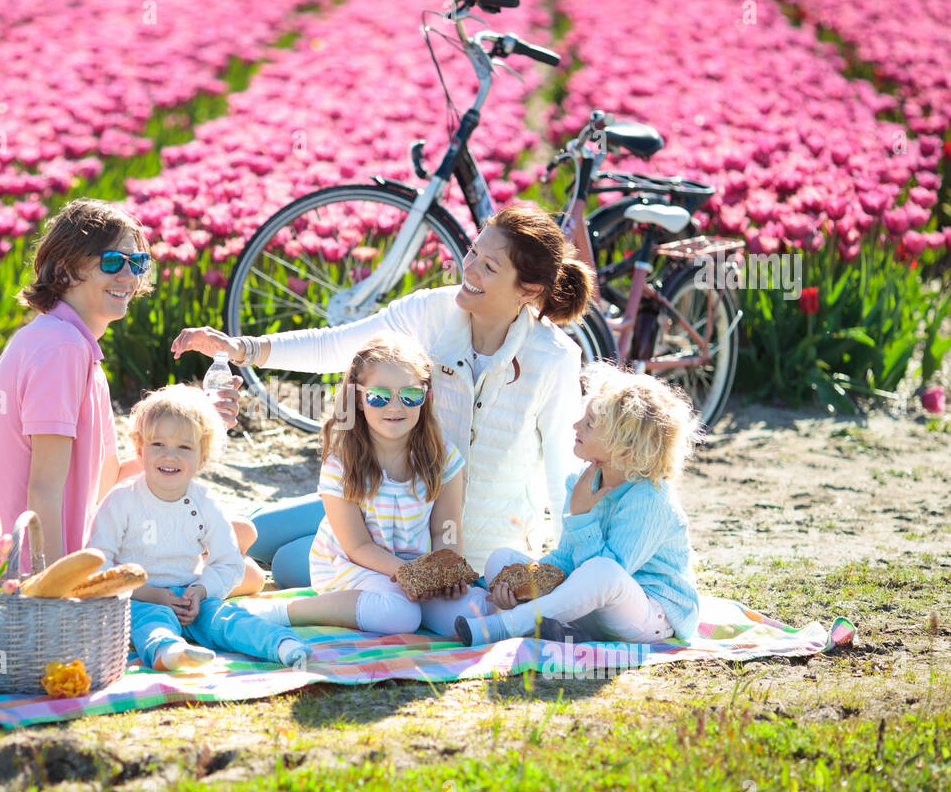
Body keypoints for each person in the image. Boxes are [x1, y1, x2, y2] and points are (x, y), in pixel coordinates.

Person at [171, 203, 594, 585]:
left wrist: (561, 570)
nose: (469, 269)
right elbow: (336, 346)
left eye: (489, 266)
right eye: (472, 253)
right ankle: (182, 551)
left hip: (463, 551)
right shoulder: (434, 310)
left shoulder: (554, 358)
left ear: (529, 290)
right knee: (260, 528)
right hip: (386, 506)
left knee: (285, 563)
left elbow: (566, 475)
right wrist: (241, 348)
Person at [0, 198, 263, 592]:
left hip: (56, 544)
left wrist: (199, 421)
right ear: (66, 268)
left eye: (137, 264)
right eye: (112, 262)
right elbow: (43, 490)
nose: (128, 276)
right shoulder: (61, 350)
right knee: (245, 570)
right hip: (43, 563)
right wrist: (53, 594)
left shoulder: (63, 341)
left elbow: (110, 482)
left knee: (241, 533)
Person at [239, 334, 490, 636]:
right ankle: (284, 612)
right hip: (353, 567)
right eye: (378, 397)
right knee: (400, 615)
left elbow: (446, 529)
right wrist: (404, 573)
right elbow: (357, 545)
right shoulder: (342, 463)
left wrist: (446, 568)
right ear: (357, 399)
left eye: (410, 394)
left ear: (427, 396)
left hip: (415, 570)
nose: (395, 406)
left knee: (467, 615)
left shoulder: (443, 457)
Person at [456, 363, 702, 647]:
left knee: (602, 571)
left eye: (590, 424)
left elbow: (606, 573)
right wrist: (521, 584)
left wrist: (582, 515)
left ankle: (505, 626)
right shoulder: (584, 483)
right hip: (594, 606)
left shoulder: (649, 499)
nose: (576, 426)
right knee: (501, 561)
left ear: (624, 446)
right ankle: (565, 631)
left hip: (650, 616)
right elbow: (566, 559)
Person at [87, 385, 310, 671]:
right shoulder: (120, 501)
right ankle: (169, 652)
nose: (170, 456)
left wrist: (201, 591)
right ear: (140, 450)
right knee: (148, 623)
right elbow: (98, 561)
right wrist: (148, 593)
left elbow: (228, 562)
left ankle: (281, 645)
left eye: (184, 447)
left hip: (191, 595)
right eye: (158, 445)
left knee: (227, 619)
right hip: (140, 597)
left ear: (202, 456)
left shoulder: (205, 503)